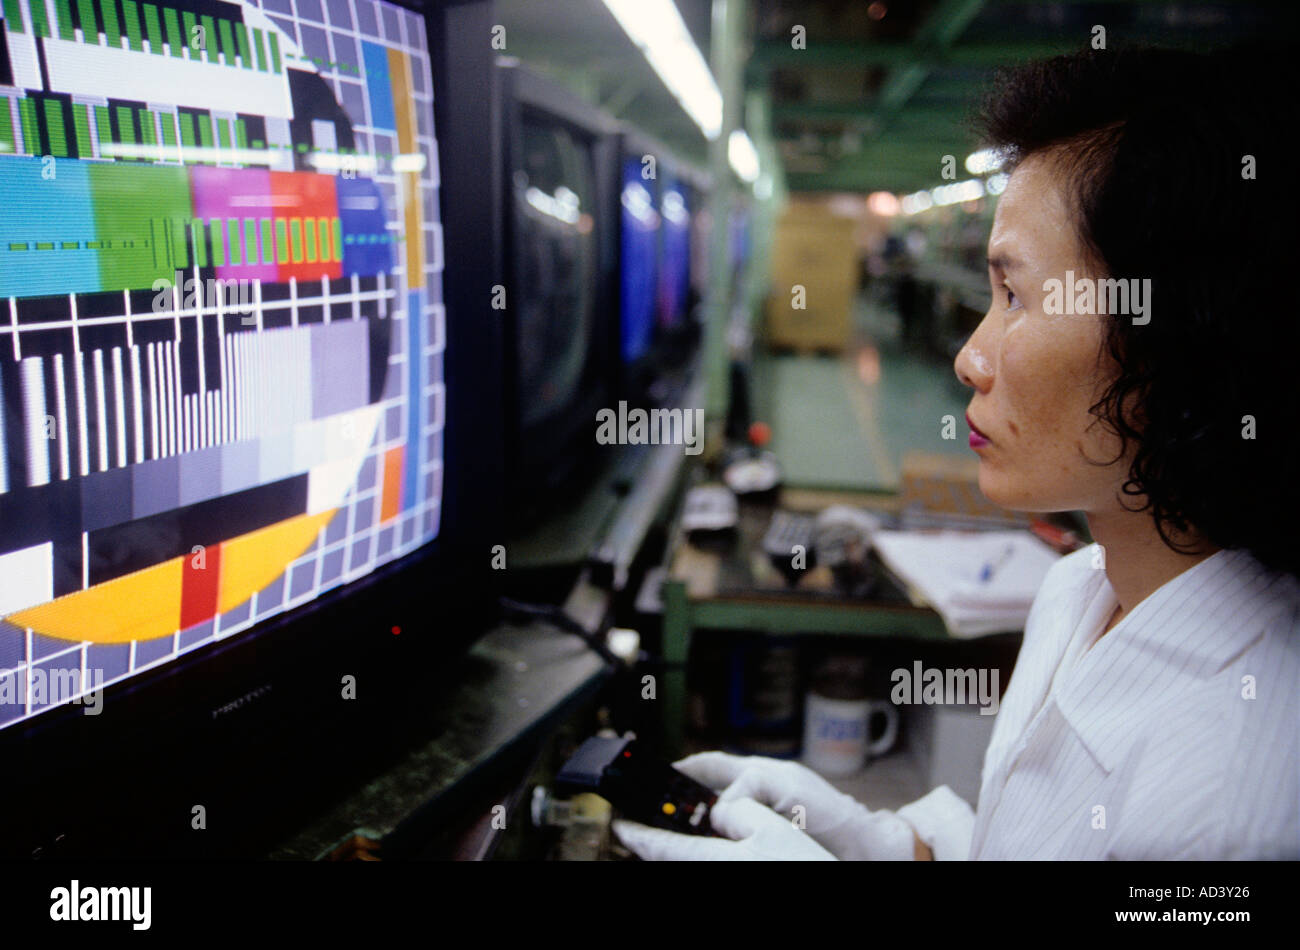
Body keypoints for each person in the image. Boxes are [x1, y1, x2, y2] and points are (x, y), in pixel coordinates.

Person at [615, 46, 1299, 860]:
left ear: (1179, 344)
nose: (969, 357)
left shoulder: (1229, 809)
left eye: (1016, 296)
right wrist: (888, 843)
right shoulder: (1078, 586)